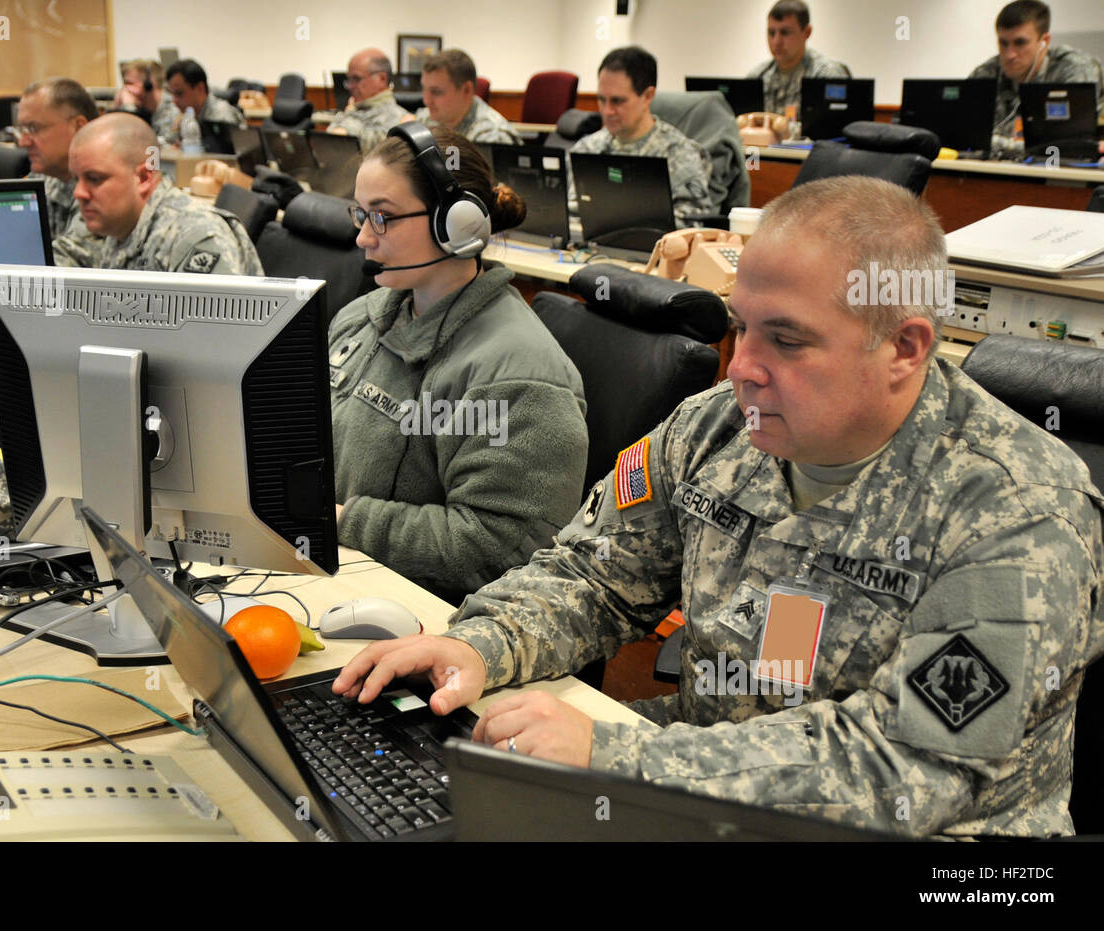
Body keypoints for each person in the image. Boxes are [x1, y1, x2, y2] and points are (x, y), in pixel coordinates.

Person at [334, 175, 1104, 838]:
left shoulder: (1022, 510)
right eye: (739, 327)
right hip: (705, 782)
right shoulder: (716, 429)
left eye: (787, 340)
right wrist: (482, 643)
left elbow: (906, 763)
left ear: (904, 346)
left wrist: (621, 760)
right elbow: (595, 573)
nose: (743, 369)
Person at [330, 123, 587, 603]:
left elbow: (501, 547)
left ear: (457, 224)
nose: (364, 237)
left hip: (430, 625)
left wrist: (346, 521)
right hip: (337, 578)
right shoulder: (357, 320)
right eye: (360, 215)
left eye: (382, 217)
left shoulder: (518, 375)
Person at [53, 113, 262, 276]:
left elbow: (218, 330)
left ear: (144, 178)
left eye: (95, 179)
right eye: (76, 179)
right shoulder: (121, 227)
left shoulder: (193, 237)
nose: (79, 193)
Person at [568, 46, 714, 225]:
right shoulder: (587, 150)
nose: (607, 111)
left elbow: (694, 225)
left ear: (647, 96)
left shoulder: (678, 154)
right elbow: (569, 213)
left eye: (617, 101)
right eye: (601, 99)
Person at [968, 0, 1104, 155]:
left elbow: (1065, 145)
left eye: (1020, 43)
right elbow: (962, 133)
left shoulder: (1075, 68)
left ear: (1044, 42)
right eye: (1003, 43)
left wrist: (990, 143)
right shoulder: (987, 73)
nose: (1009, 54)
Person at [15, 78, 99, 240]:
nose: (23, 142)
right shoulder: (42, 178)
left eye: (33, 128)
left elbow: (74, 260)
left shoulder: (104, 185)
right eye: (22, 130)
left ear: (78, 127)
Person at [745, 1, 851, 117]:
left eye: (785, 32)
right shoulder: (758, 77)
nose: (776, 41)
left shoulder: (827, 75)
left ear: (807, 32)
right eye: (771, 33)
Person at [415, 50, 521, 145]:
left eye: (436, 92)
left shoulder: (492, 136)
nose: (426, 100)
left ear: (466, 90)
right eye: (424, 89)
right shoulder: (426, 120)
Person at [327, 48, 414, 153]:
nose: (350, 86)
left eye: (356, 79)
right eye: (349, 79)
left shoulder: (400, 119)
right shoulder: (352, 110)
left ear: (381, 79)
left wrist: (344, 130)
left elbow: (378, 144)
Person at [162, 58, 245, 146]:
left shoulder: (221, 115)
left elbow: (228, 156)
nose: (175, 100)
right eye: (172, 94)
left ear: (200, 88)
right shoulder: (187, 115)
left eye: (179, 93)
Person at [115, 58, 180, 140]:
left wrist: (129, 108)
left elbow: (158, 145)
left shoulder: (174, 109)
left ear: (148, 84)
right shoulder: (140, 108)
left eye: (130, 83)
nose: (125, 89)